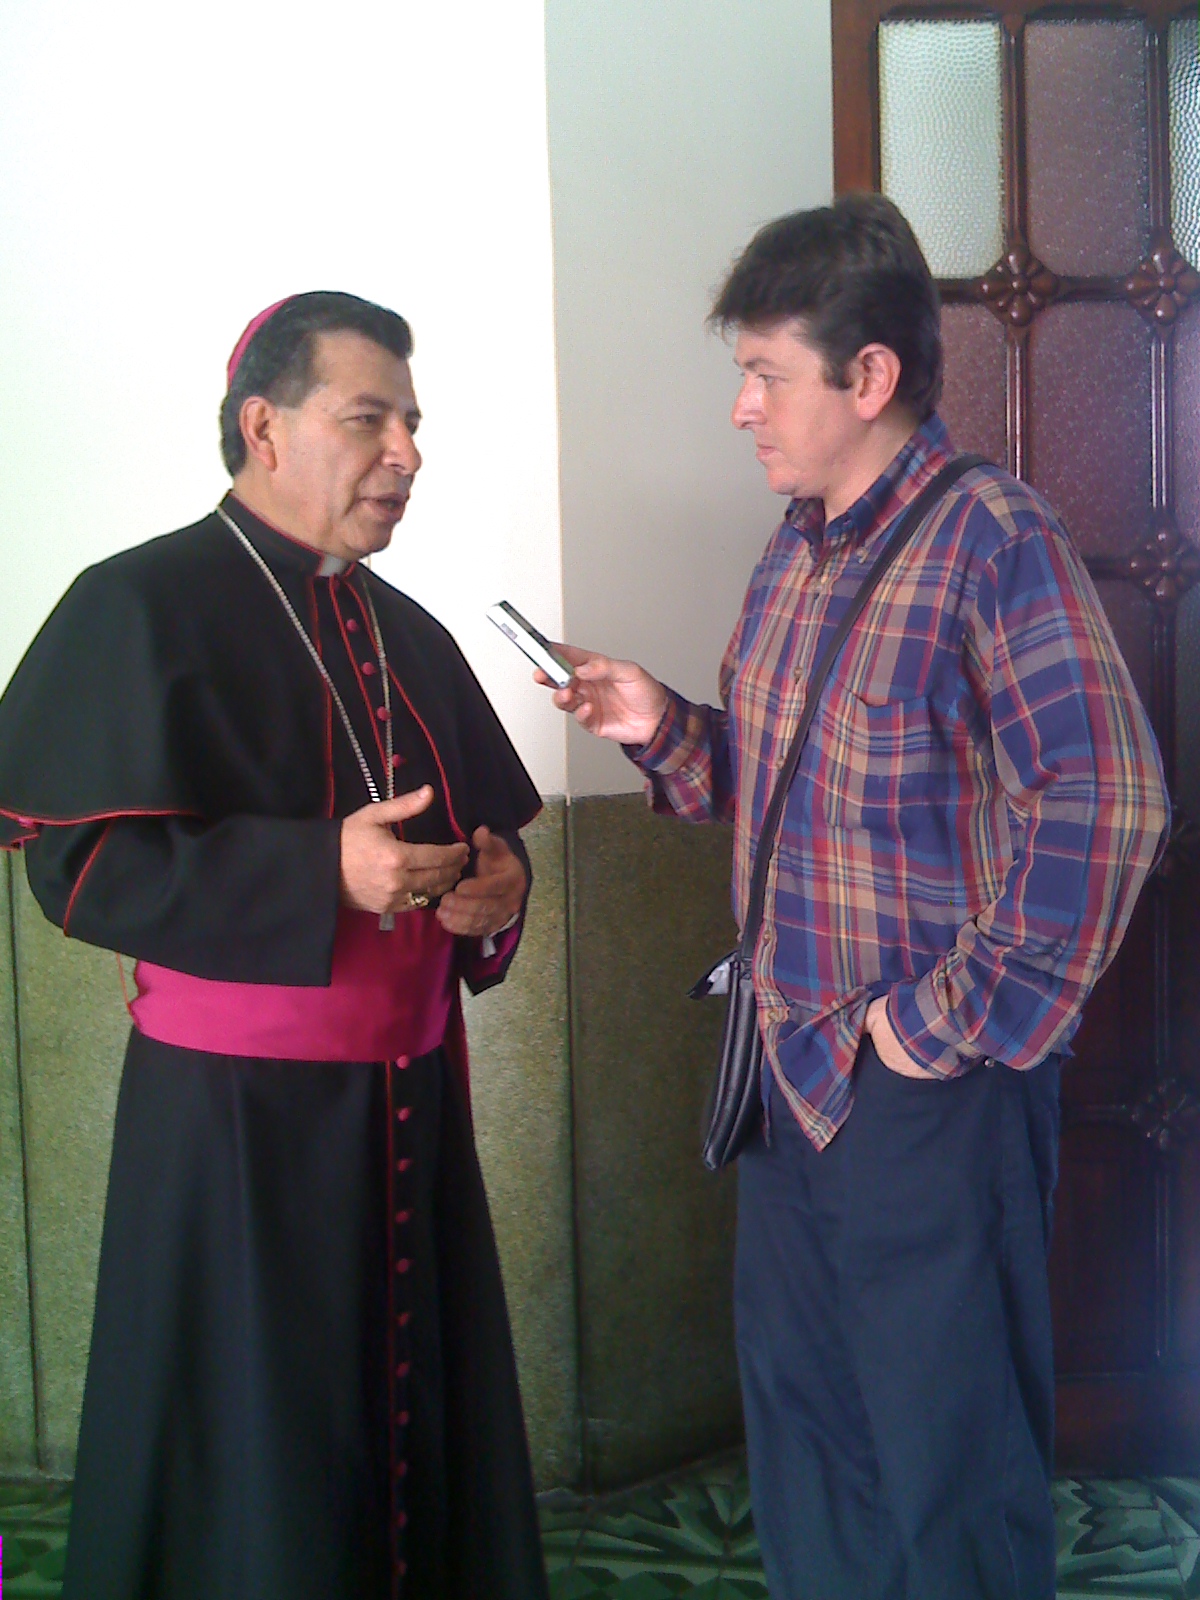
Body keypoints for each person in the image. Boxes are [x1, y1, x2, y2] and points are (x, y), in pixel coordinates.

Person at [541, 196, 1169, 1600]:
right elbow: (792, 790)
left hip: (924, 1095)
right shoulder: (798, 546)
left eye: (766, 375)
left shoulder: (993, 538)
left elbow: (1107, 799)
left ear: (869, 376)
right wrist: (660, 726)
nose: (742, 409)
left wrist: (939, 1024)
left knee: (946, 1456)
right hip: (788, 1069)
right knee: (812, 1439)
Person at [0, 292, 549, 1600]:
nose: (406, 452)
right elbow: (80, 869)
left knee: (414, 1432)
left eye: (412, 422)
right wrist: (319, 872)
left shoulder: (407, 631)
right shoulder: (136, 603)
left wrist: (497, 892)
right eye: (369, 420)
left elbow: (485, 847)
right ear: (264, 427)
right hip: (236, 1127)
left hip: (411, 1105)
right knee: (257, 1463)